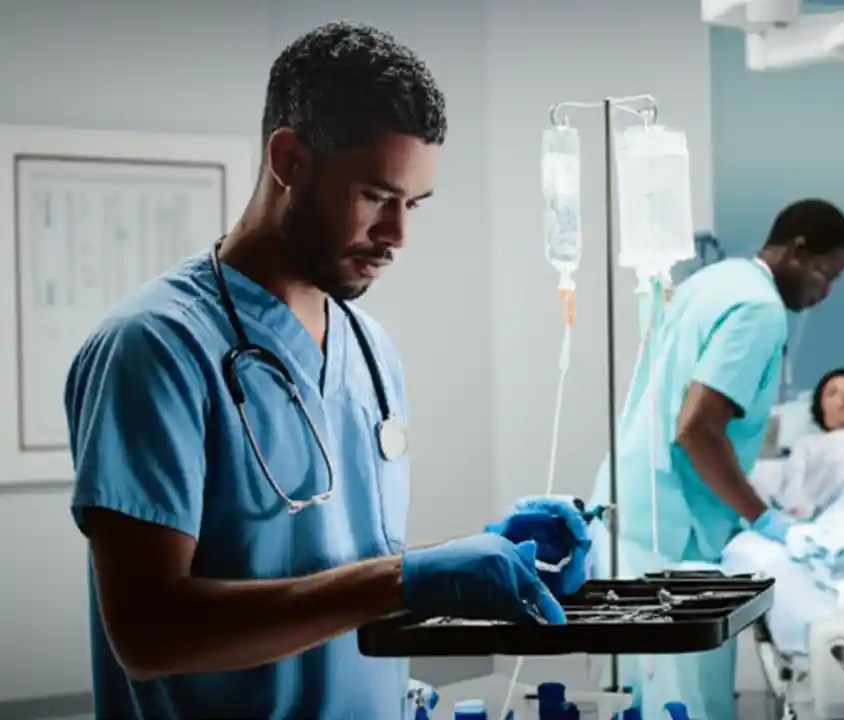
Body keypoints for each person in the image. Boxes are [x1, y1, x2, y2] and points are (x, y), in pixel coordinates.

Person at [63, 22, 587, 719]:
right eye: (376, 196)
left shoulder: (371, 350)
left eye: (415, 205)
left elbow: (336, 574)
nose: (399, 235)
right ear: (290, 159)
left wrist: (477, 564)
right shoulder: (156, 348)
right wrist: (408, 578)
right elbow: (150, 632)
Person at [589, 199, 844, 719]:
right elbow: (696, 428)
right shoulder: (759, 309)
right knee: (685, 702)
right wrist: (763, 517)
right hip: (676, 534)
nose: (827, 291)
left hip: (633, 513)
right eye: (829, 273)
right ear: (798, 251)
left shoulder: (708, 284)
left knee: (636, 697)